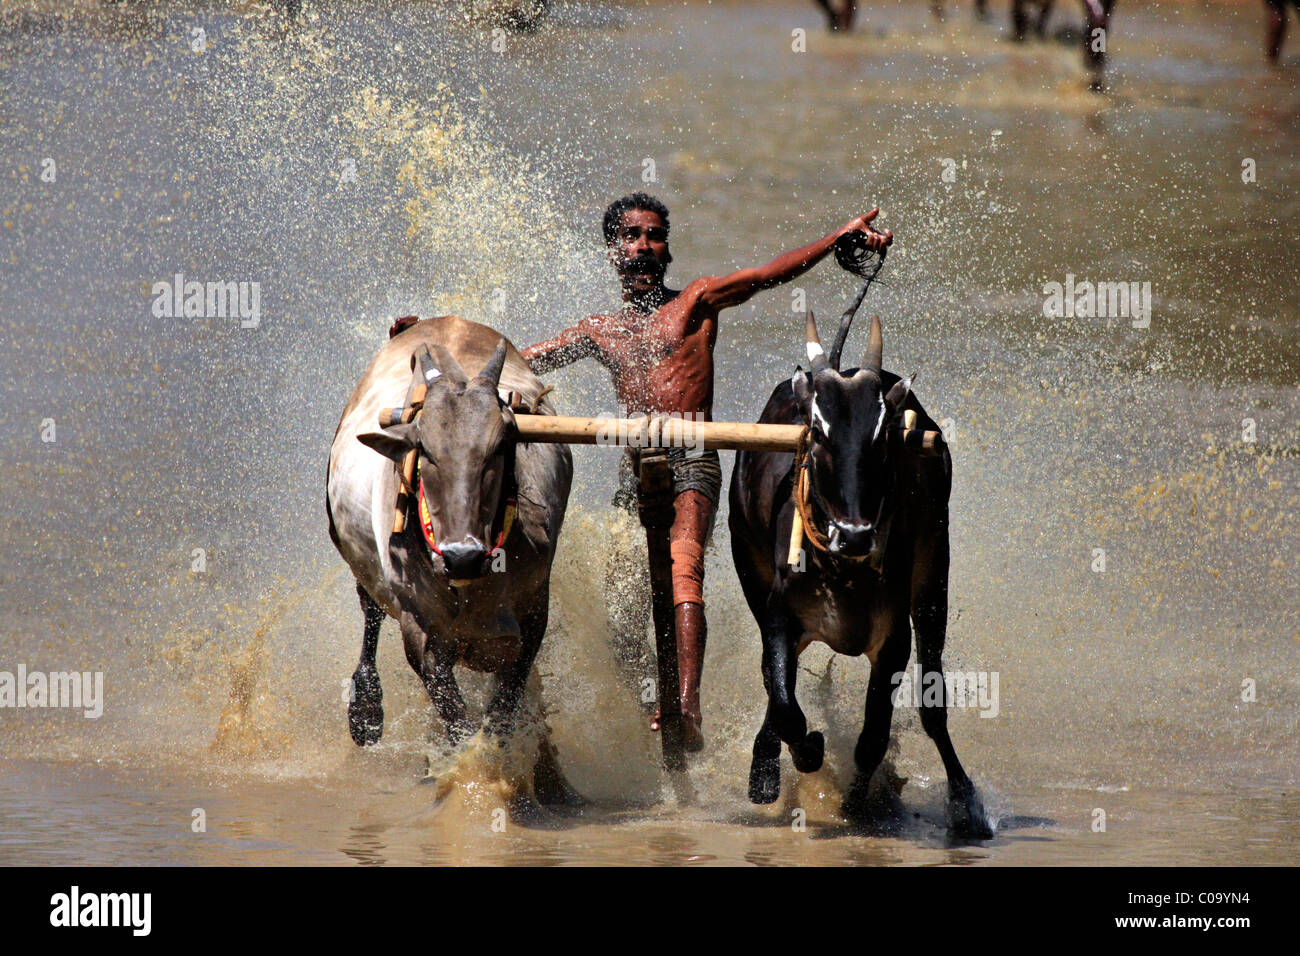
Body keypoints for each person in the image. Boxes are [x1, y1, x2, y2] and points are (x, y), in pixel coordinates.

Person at [521, 193, 892, 751]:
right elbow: (518, 362)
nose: (643, 246)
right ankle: (655, 701)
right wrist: (426, 345)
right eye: (631, 236)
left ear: (667, 249)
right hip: (637, 470)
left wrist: (836, 238)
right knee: (622, 612)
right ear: (612, 251)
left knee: (682, 569)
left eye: (654, 236)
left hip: (693, 455)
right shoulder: (599, 330)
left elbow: (769, 273)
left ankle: (687, 706)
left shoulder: (696, 302)